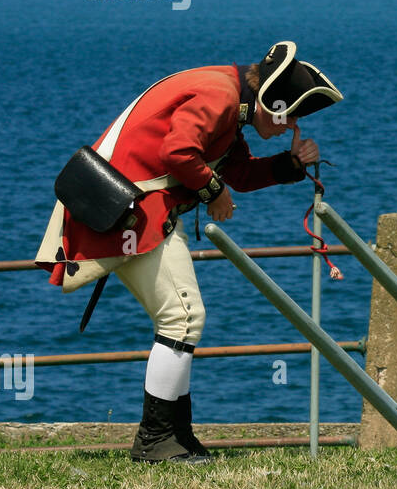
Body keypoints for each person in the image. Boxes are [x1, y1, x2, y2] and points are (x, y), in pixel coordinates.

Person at [36, 41, 343, 462]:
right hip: (129, 213)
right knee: (182, 318)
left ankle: (175, 437)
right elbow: (178, 153)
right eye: (289, 114)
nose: (292, 125)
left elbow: (239, 171)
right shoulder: (220, 97)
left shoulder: (230, 102)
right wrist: (213, 191)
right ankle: (156, 440)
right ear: (269, 100)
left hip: (135, 212)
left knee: (182, 319)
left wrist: (289, 166)